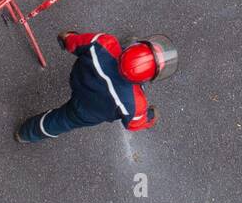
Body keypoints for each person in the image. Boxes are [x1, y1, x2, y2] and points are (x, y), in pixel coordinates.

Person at [15, 33, 175, 143]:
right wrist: (151, 116)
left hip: (78, 79)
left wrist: (66, 37)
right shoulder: (135, 103)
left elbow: (72, 41)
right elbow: (134, 124)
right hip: (87, 111)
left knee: (58, 119)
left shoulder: (104, 43)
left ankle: (27, 133)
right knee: (61, 122)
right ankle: (25, 135)